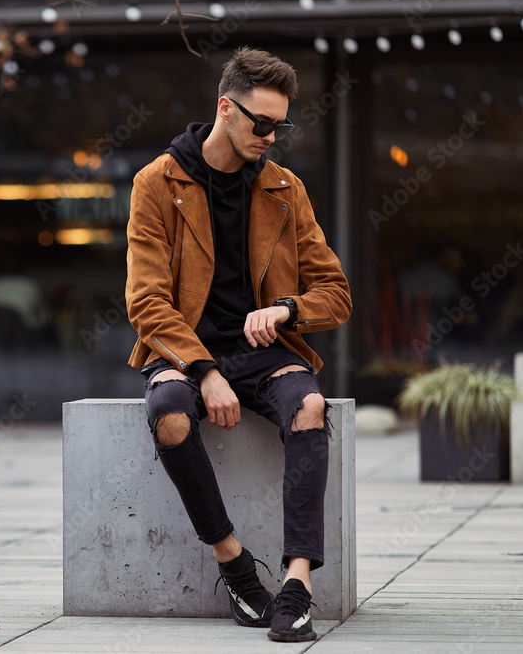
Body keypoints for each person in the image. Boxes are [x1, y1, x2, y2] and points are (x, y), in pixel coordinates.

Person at [125, 47, 351, 643]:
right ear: (226, 108)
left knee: (310, 406)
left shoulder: (285, 189)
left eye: (281, 125)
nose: (271, 137)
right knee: (169, 413)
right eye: (262, 123)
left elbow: (335, 292)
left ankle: (297, 583)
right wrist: (205, 371)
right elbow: (146, 302)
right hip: (183, 351)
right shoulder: (157, 183)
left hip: (267, 354)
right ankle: (234, 565)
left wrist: (286, 309)